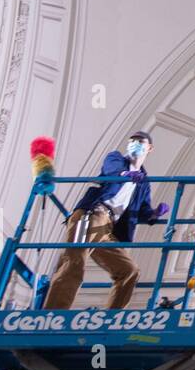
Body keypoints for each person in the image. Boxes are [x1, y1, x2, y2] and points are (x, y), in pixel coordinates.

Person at [42, 131, 169, 310]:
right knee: (74, 260)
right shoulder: (116, 158)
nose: (135, 144)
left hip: (108, 228)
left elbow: (141, 211)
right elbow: (112, 171)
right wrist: (125, 175)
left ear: (150, 148)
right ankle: (52, 315)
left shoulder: (143, 182)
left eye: (140, 141)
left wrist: (155, 213)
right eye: (132, 140)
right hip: (91, 216)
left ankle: (111, 317)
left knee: (128, 271)